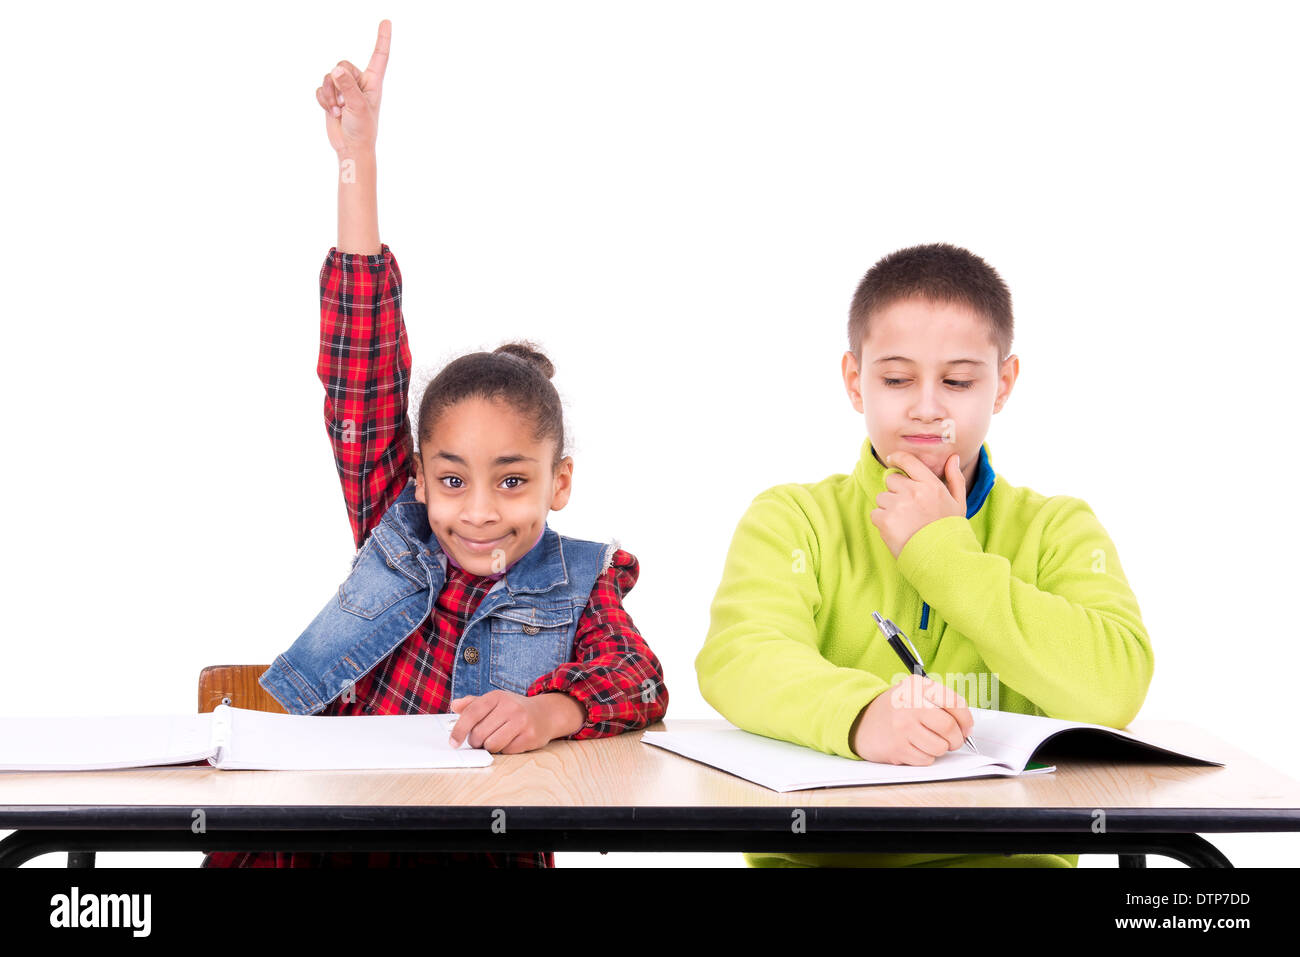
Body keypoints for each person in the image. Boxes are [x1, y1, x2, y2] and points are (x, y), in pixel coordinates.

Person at [204, 20, 667, 868]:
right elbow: (360, 358)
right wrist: (357, 159)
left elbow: (639, 678)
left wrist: (549, 709)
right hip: (320, 837)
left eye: (513, 480)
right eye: (452, 480)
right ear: (418, 476)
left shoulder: (580, 582)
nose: (479, 511)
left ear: (560, 483)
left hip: (470, 848)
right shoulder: (396, 517)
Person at [695, 242, 1153, 868]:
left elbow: (1116, 685)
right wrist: (859, 716)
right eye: (896, 379)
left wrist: (944, 555)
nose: (928, 407)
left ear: (1003, 384)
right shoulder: (792, 517)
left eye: (959, 381)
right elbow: (740, 657)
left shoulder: (1056, 528)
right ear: (856, 382)